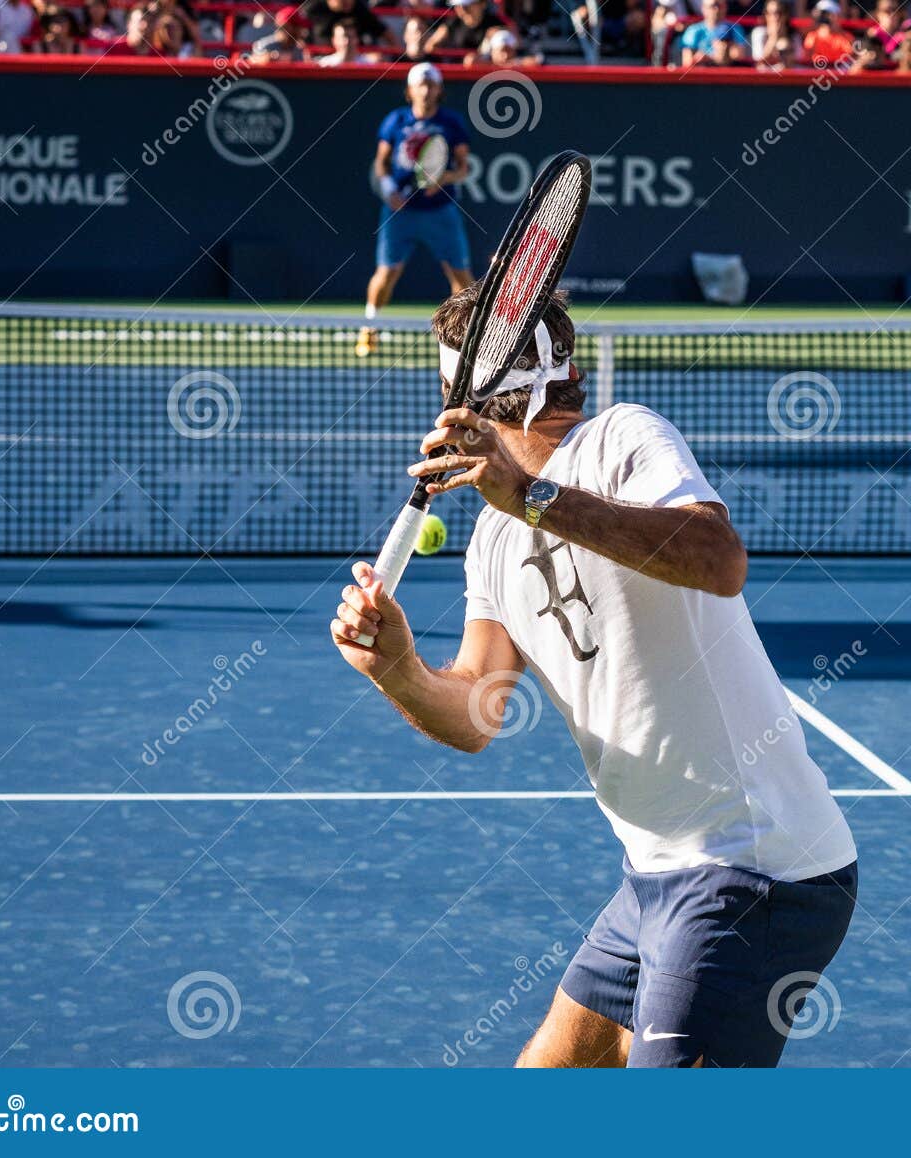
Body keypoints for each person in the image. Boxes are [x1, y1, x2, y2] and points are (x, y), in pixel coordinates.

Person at [331, 287, 859, 1068]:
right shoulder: (489, 544)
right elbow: (477, 714)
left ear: (460, 396)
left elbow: (719, 561)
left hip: (752, 868)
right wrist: (400, 669)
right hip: (654, 876)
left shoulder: (623, 437)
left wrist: (530, 496)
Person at [356, 63, 474, 359]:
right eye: (420, 84)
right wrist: (388, 190)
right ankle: (369, 328)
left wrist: (442, 179)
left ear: (438, 90)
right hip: (399, 212)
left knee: (461, 277)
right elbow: (381, 163)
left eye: (431, 84)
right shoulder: (395, 121)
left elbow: (463, 168)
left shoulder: (451, 123)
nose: (425, 89)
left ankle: (466, 338)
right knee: (387, 273)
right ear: (410, 90)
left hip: (441, 210)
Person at [677, 0, 748, 65]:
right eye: (713, 6)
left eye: (720, 6)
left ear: (725, 7)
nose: (716, 10)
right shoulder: (693, 30)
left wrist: (723, 54)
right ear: (703, 8)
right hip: (702, 74)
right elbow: (687, 61)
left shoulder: (735, 28)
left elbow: (739, 54)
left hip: (728, 72)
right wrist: (712, 57)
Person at [424, 0, 506, 56]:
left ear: (482, 4)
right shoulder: (453, 22)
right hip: (456, 73)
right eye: (458, 6)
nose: (462, 9)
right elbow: (430, 46)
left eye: (467, 5)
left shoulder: (496, 23)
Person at [751, 0, 800, 67]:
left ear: (785, 15)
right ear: (765, 15)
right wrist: (773, 37)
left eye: (779, 13)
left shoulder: (794, 36)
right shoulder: (759, 33)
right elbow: (758, 63)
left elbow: (798, 60)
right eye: (769, 13)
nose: (775, 17)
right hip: (767, 74)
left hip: (789, 73)